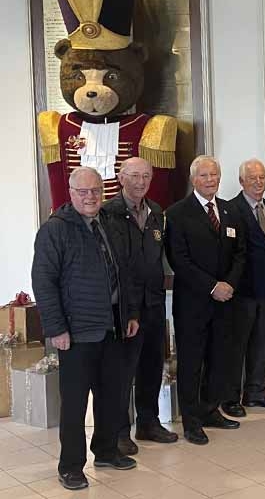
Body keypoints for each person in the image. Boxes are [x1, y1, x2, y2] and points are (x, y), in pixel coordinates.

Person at [32, 166, 140, 490]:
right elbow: (44, 282)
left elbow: (124, 272)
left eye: (95, 190)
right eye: (83, 192)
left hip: (112, 327)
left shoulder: (108, 222)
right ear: (71, 193)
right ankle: (71, 466)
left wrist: (130, 313)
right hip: (76, 333)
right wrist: (56, 328)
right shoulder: (55, 230)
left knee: (111, 396)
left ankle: (106, 451)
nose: (91, 197)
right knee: (76, 403)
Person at [165, 155, 246, 445]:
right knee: (191, 363)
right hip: (193, 304)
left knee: (219, 359)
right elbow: (179, 261)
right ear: (193, 179)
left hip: (225, 302)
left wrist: (229, 284)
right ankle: (191, 421)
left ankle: (210, 409)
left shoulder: (229, 211)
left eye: (214, 175)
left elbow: (240, 253)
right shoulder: (176, 214)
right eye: (204, 176)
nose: (210, 180)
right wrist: (212, 286)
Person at [102, 157, 178, 456]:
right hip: (125, 306)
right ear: (121, 177)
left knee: (151, 366)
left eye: (146, 175)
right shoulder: (109, 213)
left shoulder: (157, 212)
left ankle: (149, 423)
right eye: (134, 175)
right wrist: (127, 306)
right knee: (123, 372)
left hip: (154, 303)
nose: (140, 181)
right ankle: (120, 431)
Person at [221, 159, 265, 418]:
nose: (259, 183)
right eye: (252, 179)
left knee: (261, 344)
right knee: (237, 347)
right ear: (241, 182)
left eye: (262, 177)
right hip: (243, 292)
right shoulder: (230, 210)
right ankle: (230, 398)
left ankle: (256, 392)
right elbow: (229, 253)